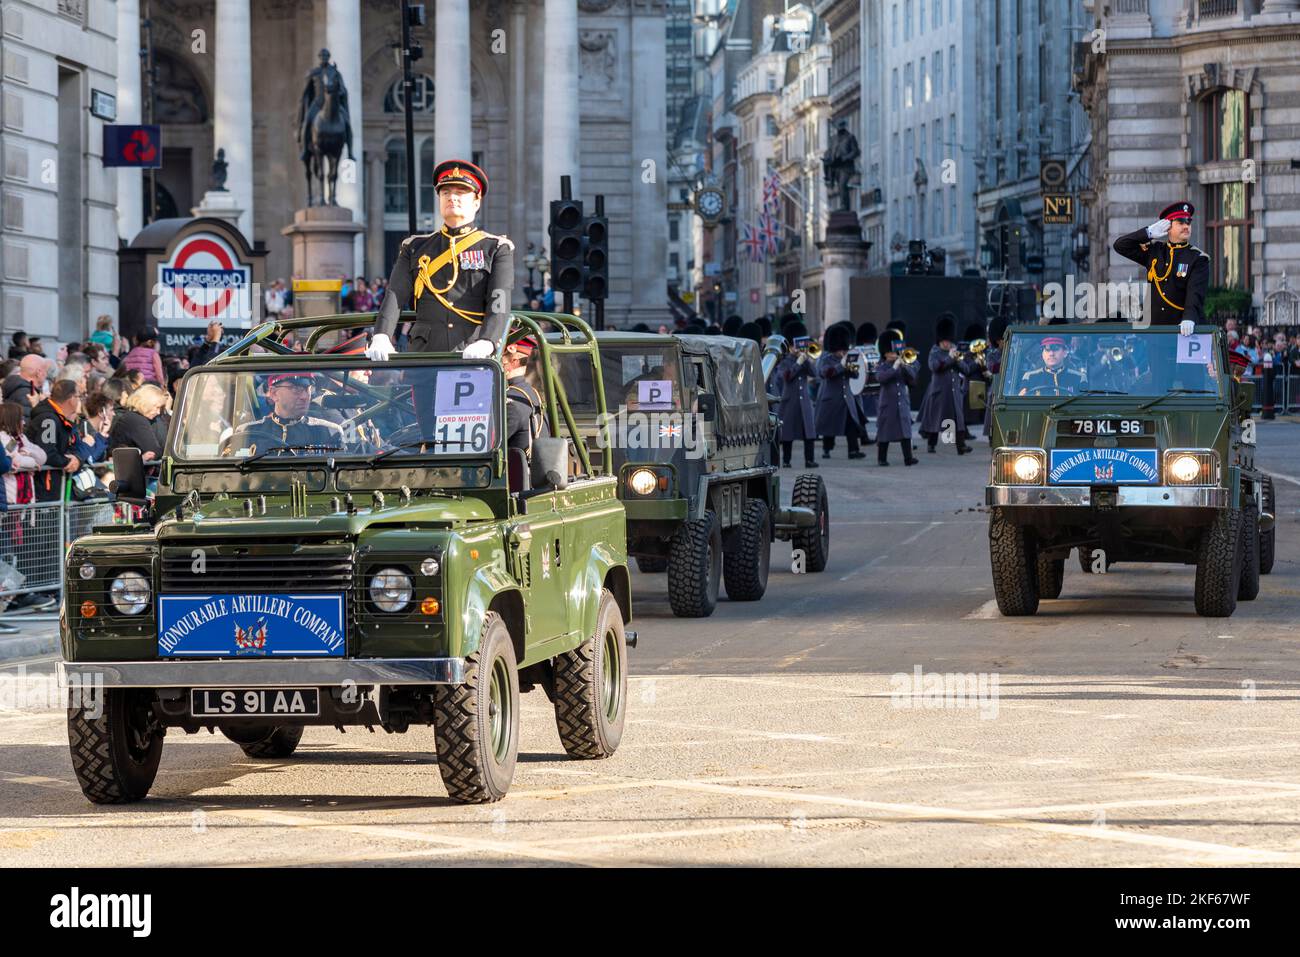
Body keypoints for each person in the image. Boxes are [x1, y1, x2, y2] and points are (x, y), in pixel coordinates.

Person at [367, 159, 514, 362]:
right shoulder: (414, 247)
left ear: (476, 201)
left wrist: (487, 340)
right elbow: (395, 294)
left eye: (460, 192)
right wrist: (382, 335)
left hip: (471, 351)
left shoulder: (495, 248)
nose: (452, 198)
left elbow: (499, 300)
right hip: (425, 353)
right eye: (445, 193)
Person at [1113, 202, 1209, 332]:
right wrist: (1148, 232)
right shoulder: (1155, 250)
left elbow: (1195, 293)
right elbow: (1120, 246)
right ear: (1168, 227)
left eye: (1188, 222)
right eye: (1181, 223)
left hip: (1182, 329)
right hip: (1155, 330)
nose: (1186, 226)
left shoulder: (1197, 258)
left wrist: (1189, 317)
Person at [221, 373, 343, 456]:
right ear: (274, 394)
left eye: (308, 389)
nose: (305, 397)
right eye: (296, 389)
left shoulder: (329, 431)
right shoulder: (247, 432)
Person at [918, 313, 975, 454]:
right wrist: (950, 359)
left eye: (948, 341)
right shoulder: (935, 351)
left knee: (958, 420)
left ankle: (960, 446)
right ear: (939, 340)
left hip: (954, 391)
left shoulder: (954, 350)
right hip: (940, 392)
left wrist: (957, 360)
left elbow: (966, 370)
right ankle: (931, 444)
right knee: (935, 420)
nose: (947, 343)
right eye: (944, 341)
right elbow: (935, 367)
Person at [26, 379, 83, 501]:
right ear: (71, 399)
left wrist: (77, 459)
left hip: (55, 487)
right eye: (78, 396)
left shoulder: (60, 418)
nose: (79, 400)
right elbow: (47, 452)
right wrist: (67, 462)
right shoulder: (49, 419)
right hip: (44, 489)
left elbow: (71, 447)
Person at [815, 324, 866, 459]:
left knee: (851, 424)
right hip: (832, 397)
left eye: (844, 349)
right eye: (840, 349)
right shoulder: (827, 359)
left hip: (847, 398)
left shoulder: (847, 358)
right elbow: (824, 373)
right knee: (829, 426)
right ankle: (827, 448)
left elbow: (855, 376)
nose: (842, 352)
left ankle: (853, 450)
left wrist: (852, 370)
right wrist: (841, 366)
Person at [776, 321, 818, 469]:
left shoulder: (804, 360)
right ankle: (786, 460)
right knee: (787, 433)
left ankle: (810, 459)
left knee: (809, 431)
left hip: (804, 400)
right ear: (790, 346)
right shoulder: (785, 361)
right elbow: (786, 377)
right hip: (790, 400)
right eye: (795, 346)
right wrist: (798, 363)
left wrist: (806, 361)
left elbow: (814, 373)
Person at [874, 331, 919, 466]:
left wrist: (904, 365)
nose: (895, 354)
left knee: (905, 431)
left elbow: (912, 377)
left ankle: (908, 458)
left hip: (902, 403)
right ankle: (882, 459)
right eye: (892, 352)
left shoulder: (902, 364)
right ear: (886, 353)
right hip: (888, 403)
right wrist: (894, 368)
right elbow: (881, 378)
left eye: (896, 352)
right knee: (884, 433)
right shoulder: (881, 366)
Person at [503, 336, 548, 462]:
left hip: (517, 478)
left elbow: (488, 446)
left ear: (514, 361)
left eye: (499, 358)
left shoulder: (510, 401)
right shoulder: (532, 393)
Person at [108, 384, 167, 463]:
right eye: (157, 407)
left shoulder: (136, 418)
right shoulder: (134, 420)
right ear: (145, 403)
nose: (158, 412)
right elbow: (153, 452)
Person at [1018, 335, 1088, 396]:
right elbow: (1022, 406)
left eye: (1056, 349)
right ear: (1042, 354)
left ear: (1065, 352)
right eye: (1047, 349)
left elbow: (1085, 407)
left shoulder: (1079, 378)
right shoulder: (1030, 378)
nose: (1051, 353)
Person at [2, 354, 49, 421]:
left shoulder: (15, 385)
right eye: (46, 371)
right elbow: (26, 426)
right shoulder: (28, 395)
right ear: (39, 372)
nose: (46, 375)